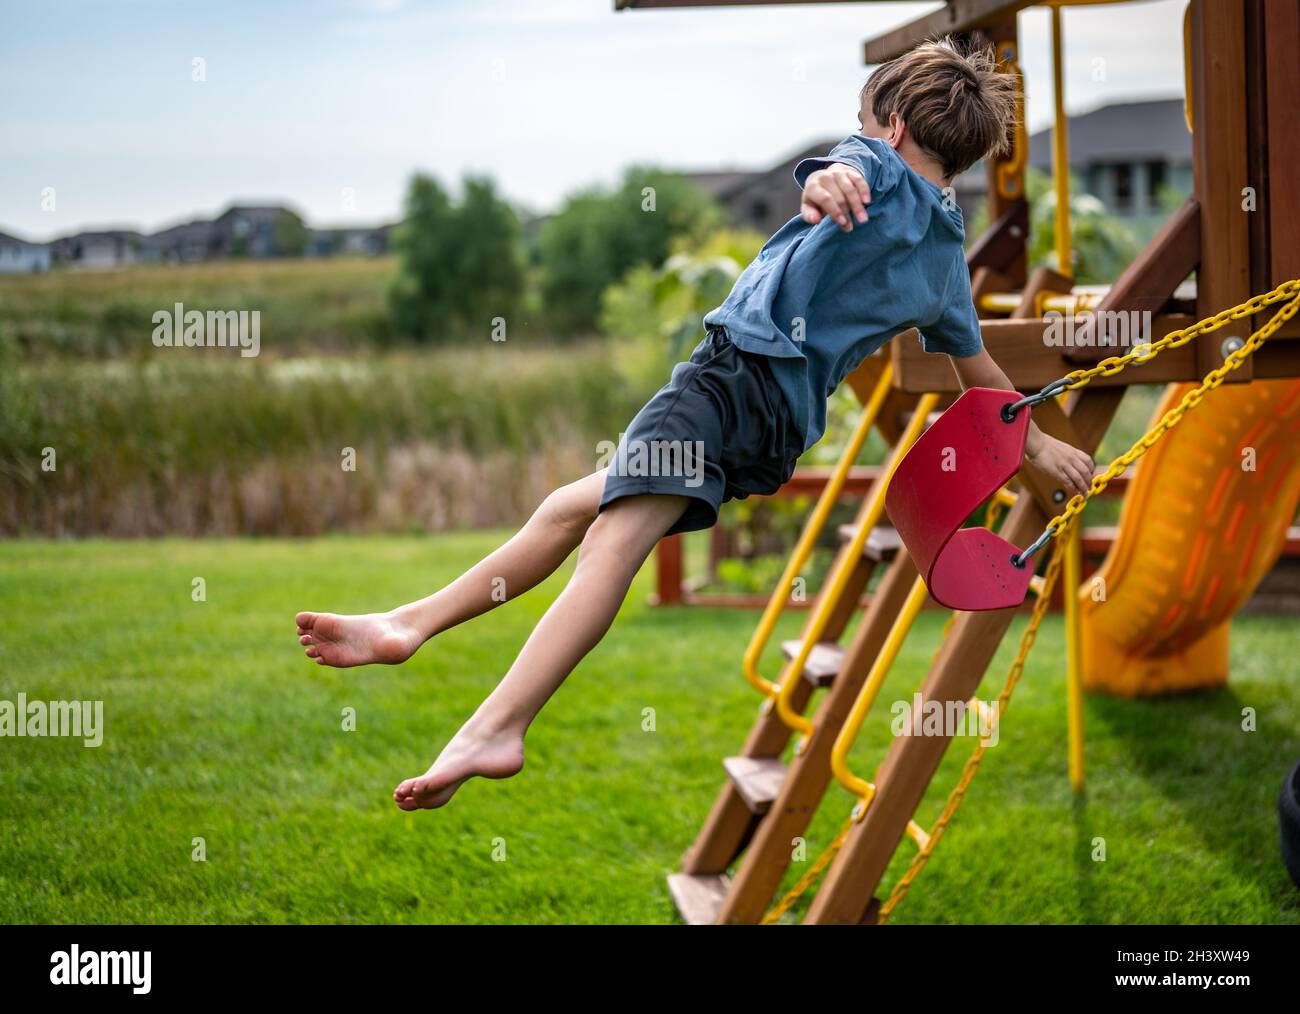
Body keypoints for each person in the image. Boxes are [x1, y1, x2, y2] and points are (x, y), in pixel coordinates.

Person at [295, 38, 1096, 811]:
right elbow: (979, 376)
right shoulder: (944, 256)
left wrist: (834, 180)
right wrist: (1041, 443)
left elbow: (843, 171)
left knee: (612, 542)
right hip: (774, 429)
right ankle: (409, 624)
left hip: (727, 383)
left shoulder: (872, 166)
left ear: (892, 126)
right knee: (573, 509)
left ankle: (496, 727)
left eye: (861, 124)